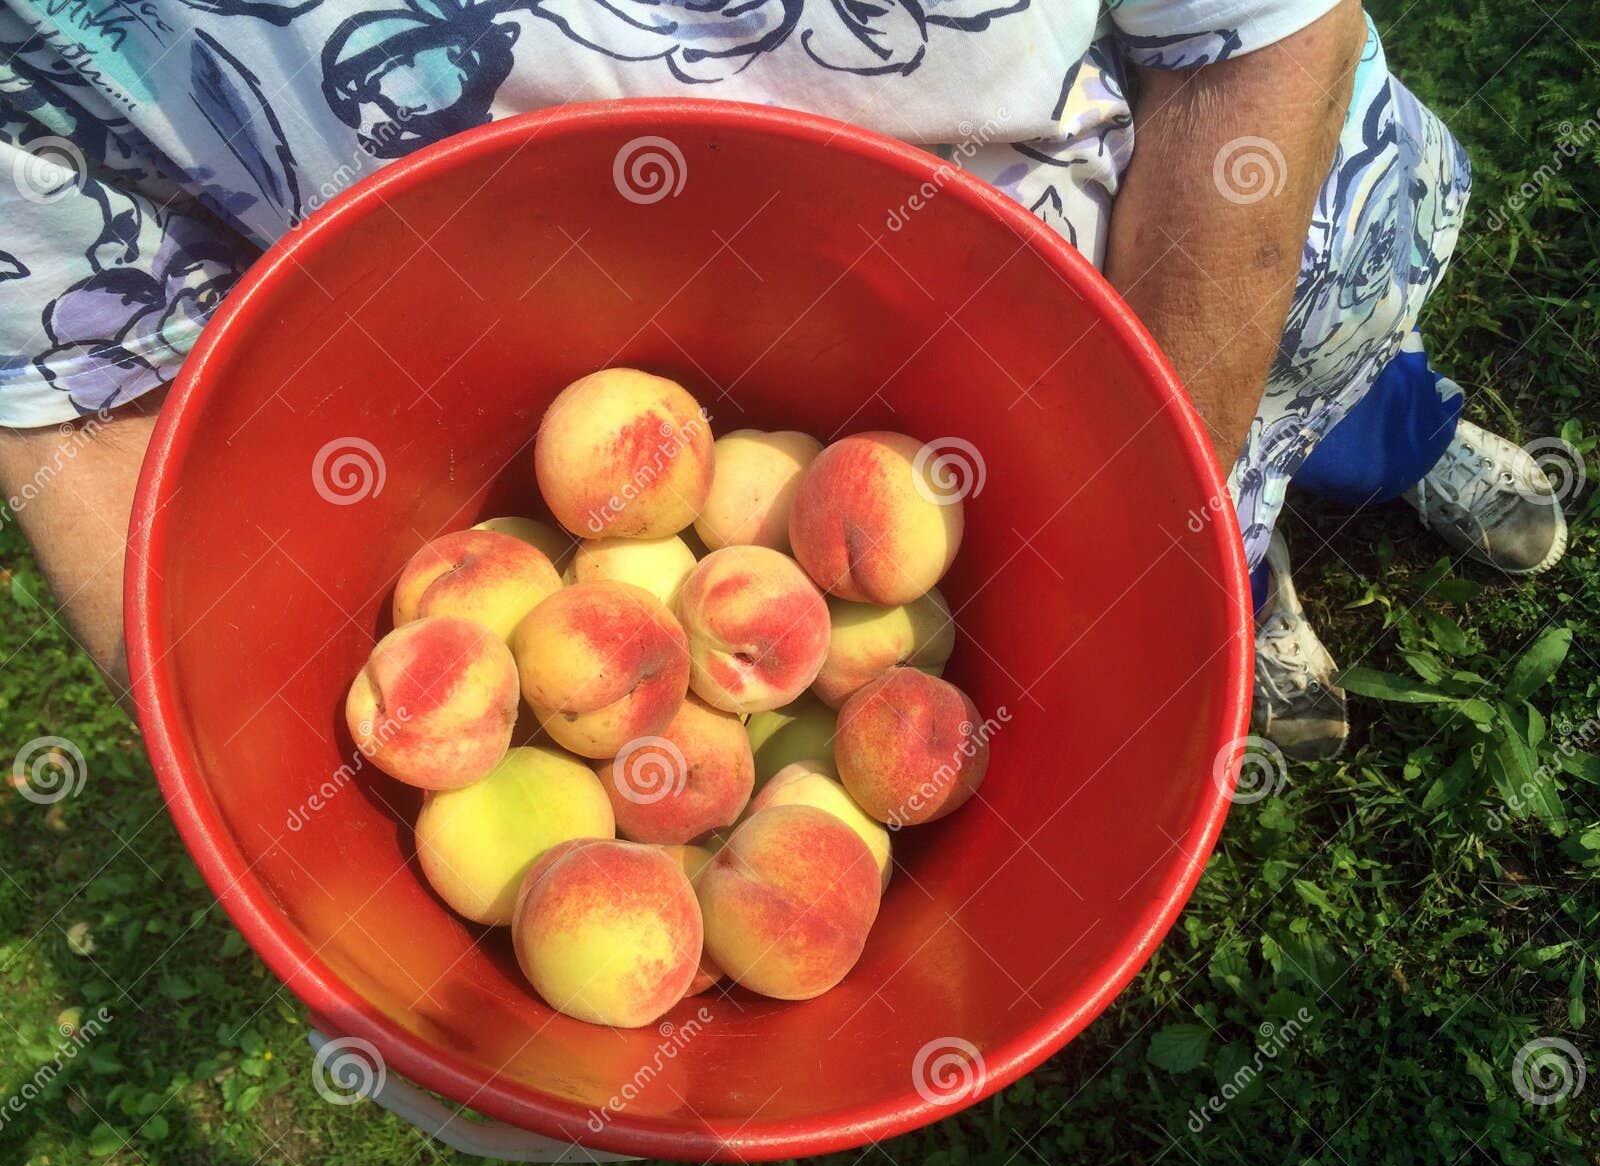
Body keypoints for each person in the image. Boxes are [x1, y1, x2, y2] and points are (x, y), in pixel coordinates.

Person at [0, 0, 1566, 759]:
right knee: (1187, 541)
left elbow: (1257, 31)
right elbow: (72, 372)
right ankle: (1243, 574)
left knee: (1318, 374)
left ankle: (1309, 488)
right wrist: (283, 840)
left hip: (1185, 238)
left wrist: (1162, 492)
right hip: (717, 489)